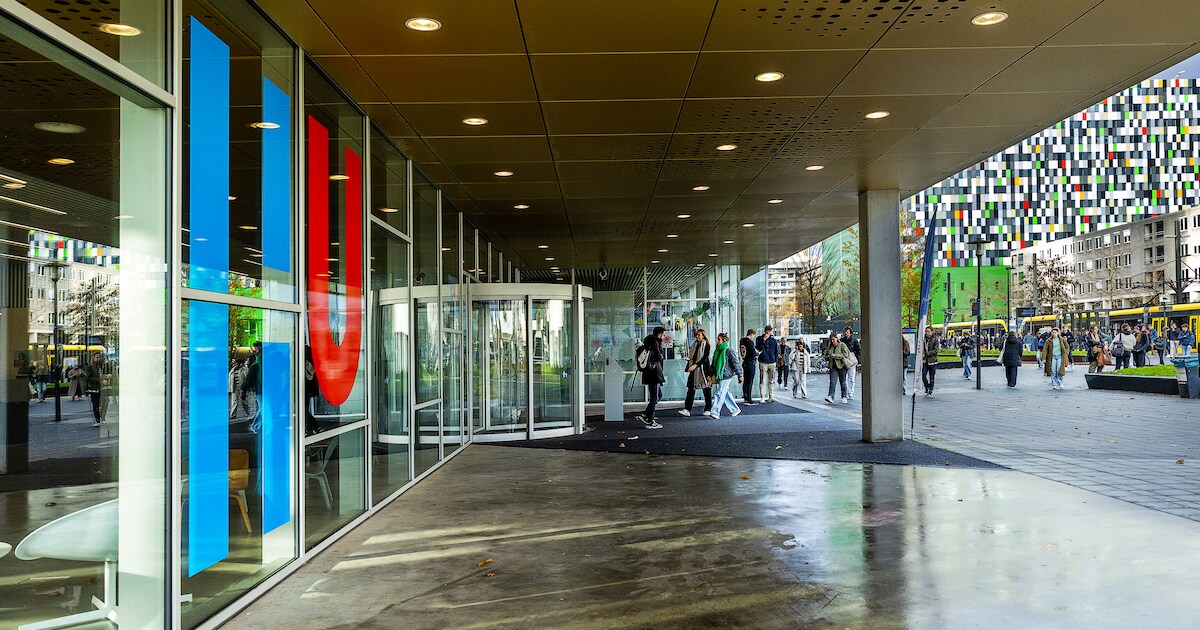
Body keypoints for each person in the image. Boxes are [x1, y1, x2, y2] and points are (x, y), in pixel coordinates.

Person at [635, 327, 666, 428]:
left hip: (650, 373)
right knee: (655, 397)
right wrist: (661, 355)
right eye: (663, 334)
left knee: (658, 395)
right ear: (659, 334)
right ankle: (649, 419)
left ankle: (646, 414)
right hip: (654, 373)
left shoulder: (648, 343)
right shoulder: (655, 342)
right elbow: (658, 357)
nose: (664, 336)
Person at [678, 328, 714, 418]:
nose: (697, 337)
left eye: (699, 335)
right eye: (696, 335)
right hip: (693, 370)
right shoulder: (694, 344)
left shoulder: (706, 345)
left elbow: (704, 358)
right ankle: (687, 409)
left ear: (703, 336)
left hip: (703, 369)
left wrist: (695, 365)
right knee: (690, 389)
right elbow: (692, 356)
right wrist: (689, 359)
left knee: (706, 389)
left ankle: (708, 408)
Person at [710, 332, 743, 419]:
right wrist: (710, 374)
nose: (717, 341)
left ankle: (715, 411)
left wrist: (740, 374)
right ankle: (735, 409)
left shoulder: (728, 351)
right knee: (725, 393)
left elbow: (736, 363)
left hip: (726, 375)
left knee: (720, 392)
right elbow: (714, 364)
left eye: (719, 339)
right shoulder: (717, 351)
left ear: (724, 340)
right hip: (720, 375)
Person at [81, 351, 110, 426]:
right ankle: (98, 419)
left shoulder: (104, 366)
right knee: (96, 404)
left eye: (100, 357)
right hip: (95, 388)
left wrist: (108, 376)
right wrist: (100, 379)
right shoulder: (90, 367)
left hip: (104, 388)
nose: (99, 359)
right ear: (93, 358)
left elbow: (109, 373)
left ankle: (102, 418)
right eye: (97, 357)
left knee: (105, 402)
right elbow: (88, 378)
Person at [240, 341, 264, 433]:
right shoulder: (255, 364)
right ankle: (254, 425)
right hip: (259, 390)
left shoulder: (257, 363)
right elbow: (248, 378)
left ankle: (256, 426)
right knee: (263, 409)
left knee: (263, 409)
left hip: (261, 390)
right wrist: (243, 390)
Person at [824, 333, 851, 404]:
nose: (832, 341)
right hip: (833, 366)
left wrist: (835, 356)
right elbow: (826, 355)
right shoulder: (830, 347)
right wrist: (827, 357)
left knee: (843, 382)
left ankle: (844, 396)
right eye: (831, 340)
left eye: (833, 339)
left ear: (837, 338)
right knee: (832, 381)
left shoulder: (842, 345)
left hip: (842, 366)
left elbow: (846, 354)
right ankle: (830, 396)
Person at [755, 326, 779, 402]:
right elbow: (758, 348)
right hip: (763, 361)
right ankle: (762, 396)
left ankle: (771, 396)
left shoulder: (773, 340)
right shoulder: (759, 339)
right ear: (766, 331)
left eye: (770, 331)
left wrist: (775, 360)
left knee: (771, 380)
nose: (769, 332)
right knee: (762, 380)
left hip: (772, 362)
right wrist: (764, 340)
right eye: (768, 331)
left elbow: (776, 351)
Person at [841, 327, 861, 400]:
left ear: (850, 333)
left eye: (847, 332)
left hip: (851, 360)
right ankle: (847, 392)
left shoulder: (854, 341)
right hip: (846, 360)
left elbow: (859, 351)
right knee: (846, 377)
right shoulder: (842, 341)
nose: (845, 333)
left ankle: (850, 392)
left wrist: (859, 361)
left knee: (851, 377)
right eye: (845, 332)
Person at [739, 329, 758, 404]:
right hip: (750, 362)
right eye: (753, 335)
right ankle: (749, 398)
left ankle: (745, 396)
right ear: (752, 334)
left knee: (746, 381)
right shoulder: (750, 342)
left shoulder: (742, 341)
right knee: (750, 381)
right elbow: (753, 353)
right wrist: (757, 353)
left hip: (745, 362)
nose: (753, 337)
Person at [921, 326, 939, 397]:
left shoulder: (935, 340)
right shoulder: (923, 339)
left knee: (931, 376)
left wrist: (927, 353)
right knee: (923, 375)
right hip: (925, 361)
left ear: (932, 332)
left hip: (932, 361)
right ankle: (927, 387)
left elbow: (936, 350)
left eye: (928, 331)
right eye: (926, 332)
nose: (927, 333)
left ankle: (930, 390)